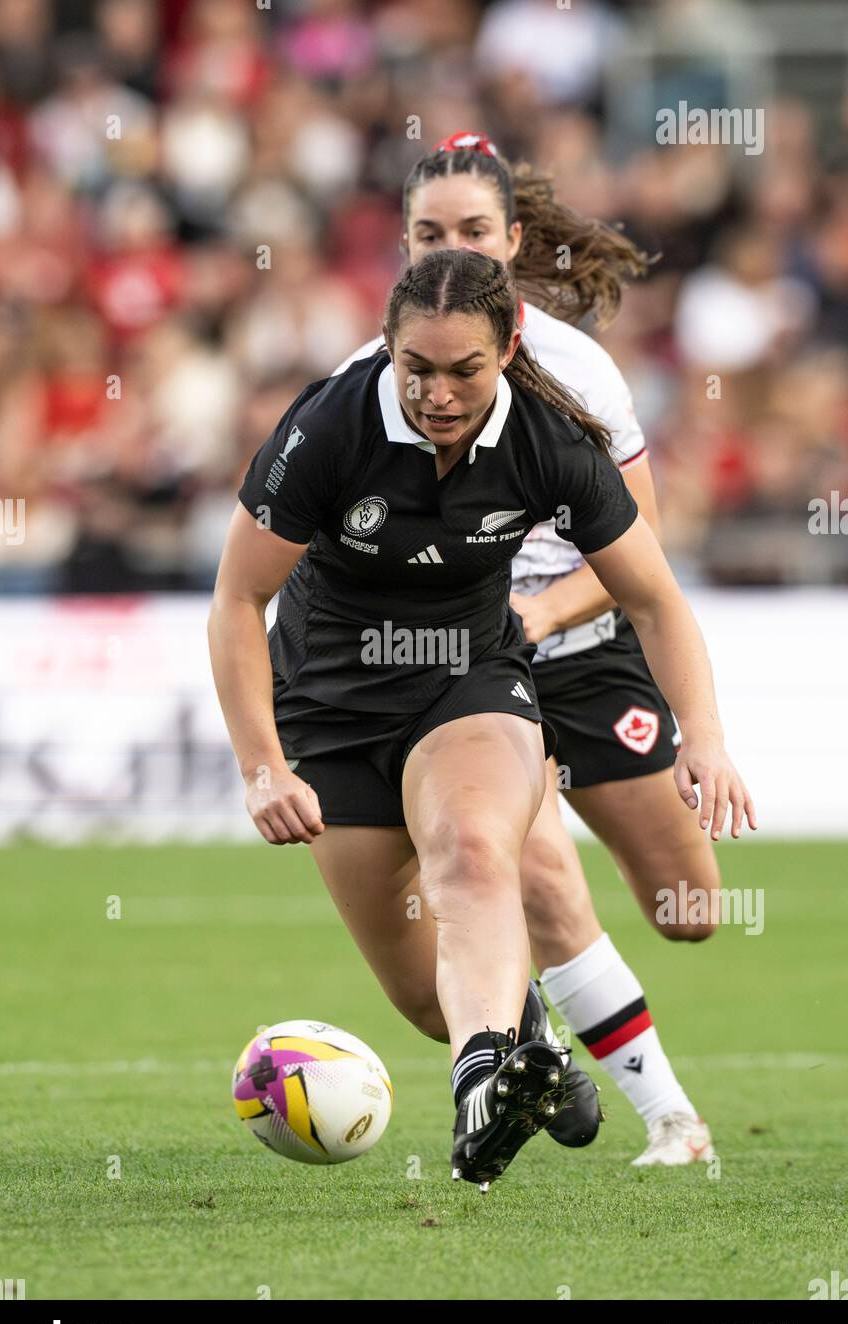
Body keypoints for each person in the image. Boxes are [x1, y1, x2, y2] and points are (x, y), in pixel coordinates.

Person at [208, 249, 755, 1189]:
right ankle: (524, 1045)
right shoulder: (329, 425)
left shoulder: (550, 438)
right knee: (428, 997)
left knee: (470, 848)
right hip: (328, 704)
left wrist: (702, 735)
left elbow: (657, 600)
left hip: (467, 677)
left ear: (508, 348)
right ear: (387, 349)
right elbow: (234, 604)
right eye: (417, 368)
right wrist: (263, 764)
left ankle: (480, 1088)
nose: (439, 393)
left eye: (465, 369)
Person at [334, 131, 732, 1166]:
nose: (443, 248)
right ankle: (661, 1117)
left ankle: (541, 1022)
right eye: (426, 233)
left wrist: (542, 617)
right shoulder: (385, 372)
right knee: (533, 872)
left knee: (686, 907)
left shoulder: (576, 373)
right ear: (403, 243)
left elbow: (642, 556)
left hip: (583, 644)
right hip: (463, 665)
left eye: (469, 230)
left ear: (511, 239)